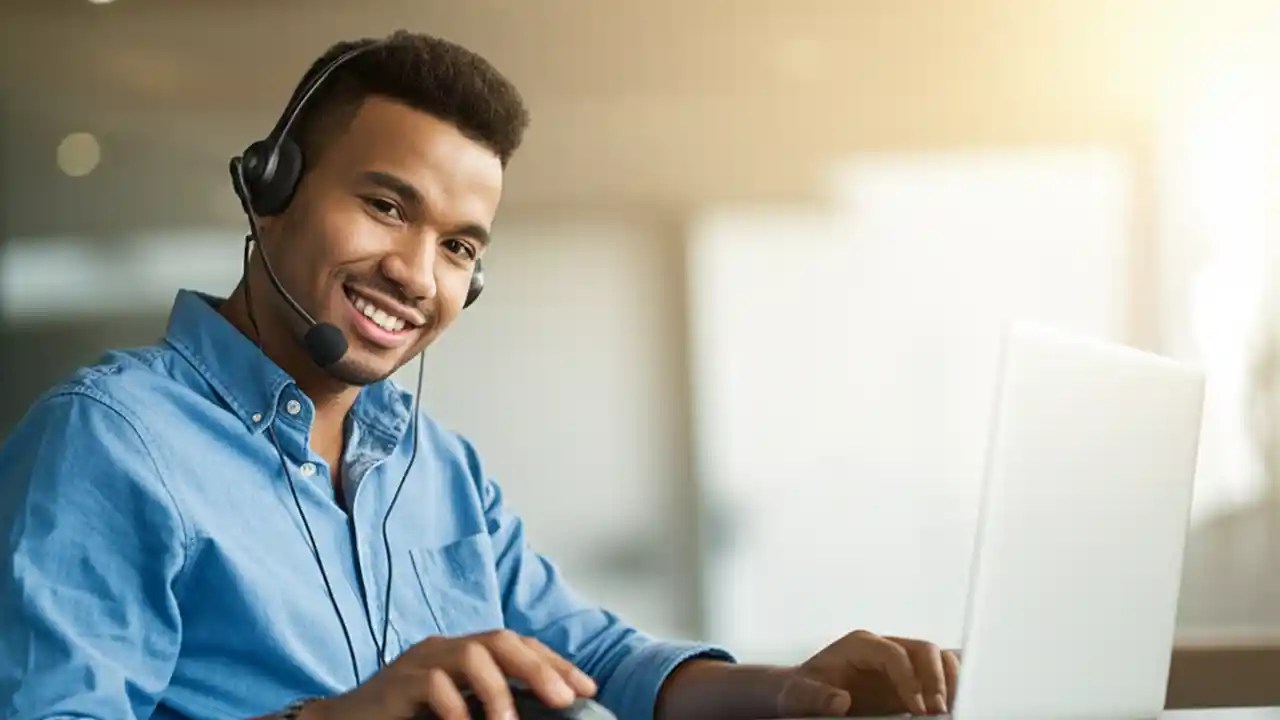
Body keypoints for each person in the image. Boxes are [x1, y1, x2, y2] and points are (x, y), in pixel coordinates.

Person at [0, 31, 959, 720]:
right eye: (385, 205)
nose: (416, 275)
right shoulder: (108, 440)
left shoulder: (436, 467)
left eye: (458, 246)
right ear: (274, 188)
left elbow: (593, 658)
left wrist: (793, 691)